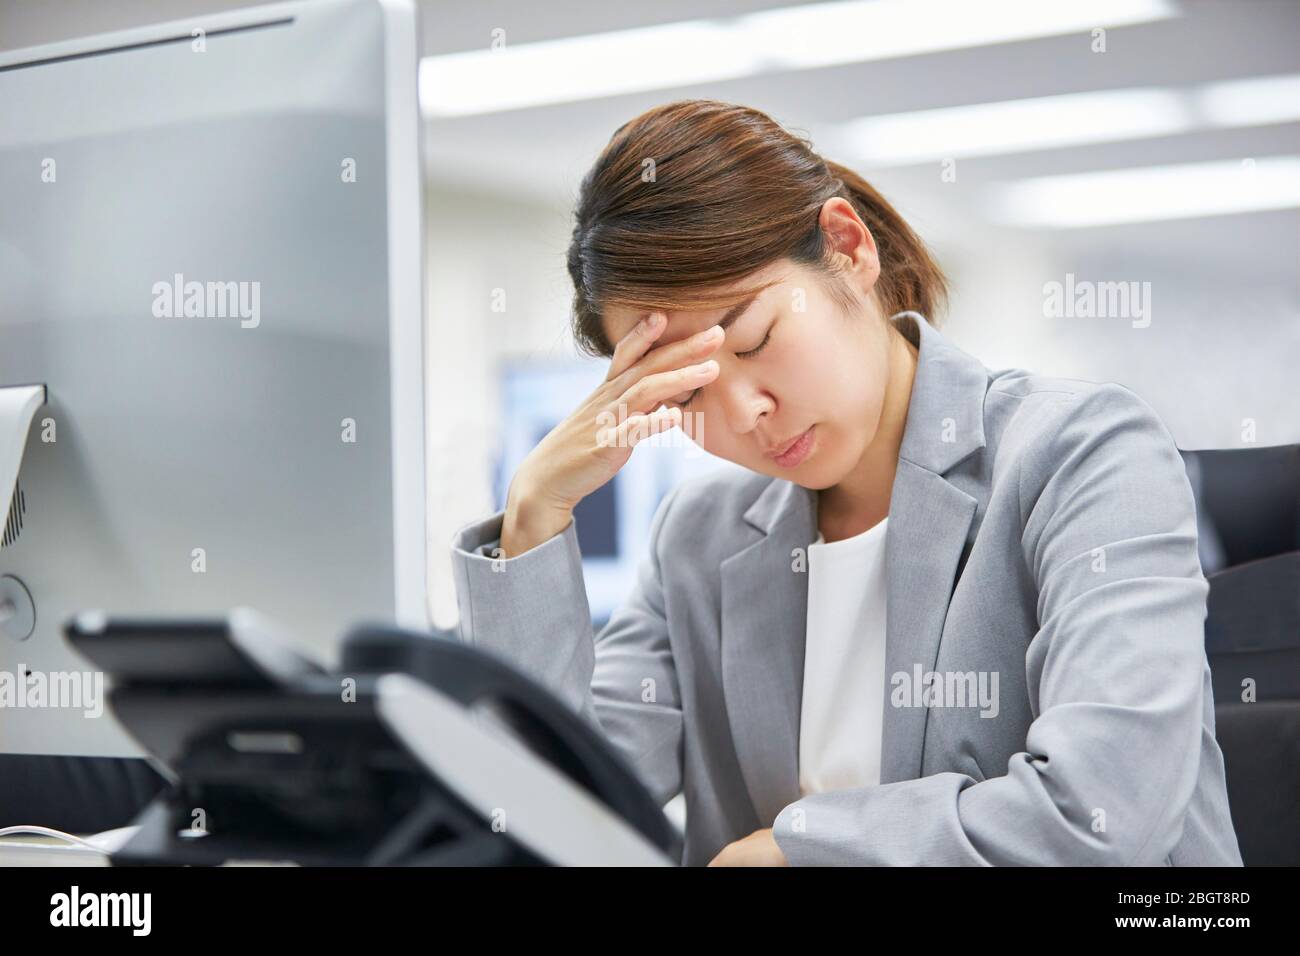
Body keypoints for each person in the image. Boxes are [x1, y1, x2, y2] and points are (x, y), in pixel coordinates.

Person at [450, 99, 1243, 867]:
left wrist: (809, 851)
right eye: (688, 392)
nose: (748, 412)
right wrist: (536, 510)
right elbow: (546, 810)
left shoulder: (1082, 453)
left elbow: (1104, 814)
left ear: (847, 246)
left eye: (757, 338)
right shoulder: (699, 533)